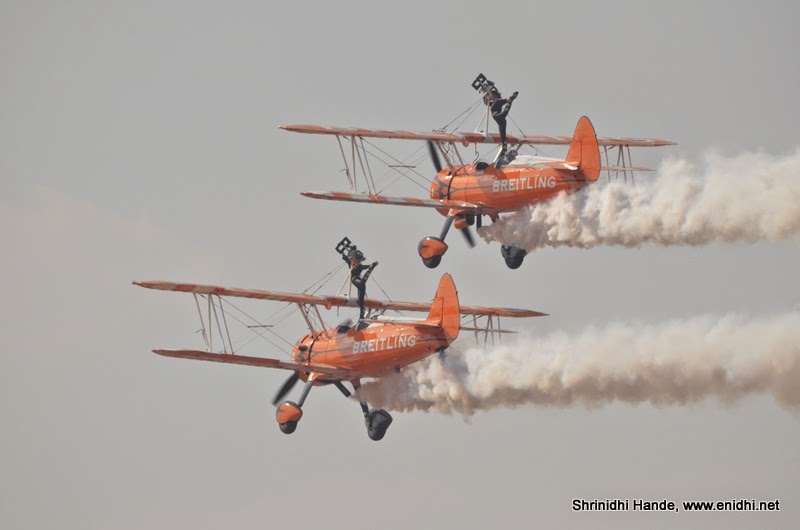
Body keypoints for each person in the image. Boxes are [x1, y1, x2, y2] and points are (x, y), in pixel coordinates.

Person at [342, 247, 378, 320]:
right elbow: (346, 258)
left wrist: (371, 265)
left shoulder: (360, 266)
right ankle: (371, 269)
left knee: (361, 302)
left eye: (359, 260)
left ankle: (361, 318)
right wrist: (343, 254)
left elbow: (366, 266)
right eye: (357, 259)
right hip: (355, 279)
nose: (358, 261)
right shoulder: (351, 264)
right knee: (362, 284)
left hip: (360, 282)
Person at [487, 89, 519, 156]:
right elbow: (486, 102)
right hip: (501, 121)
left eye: (490, 95)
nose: (489, 97)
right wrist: (486, 94)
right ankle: (504, 148)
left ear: (494, 95)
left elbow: (504, 100)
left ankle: (511, 98)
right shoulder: (493, 102)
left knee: (504, 112)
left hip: (498, 116)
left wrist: (508, 100)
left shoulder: (498, 101)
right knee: (503, 136)